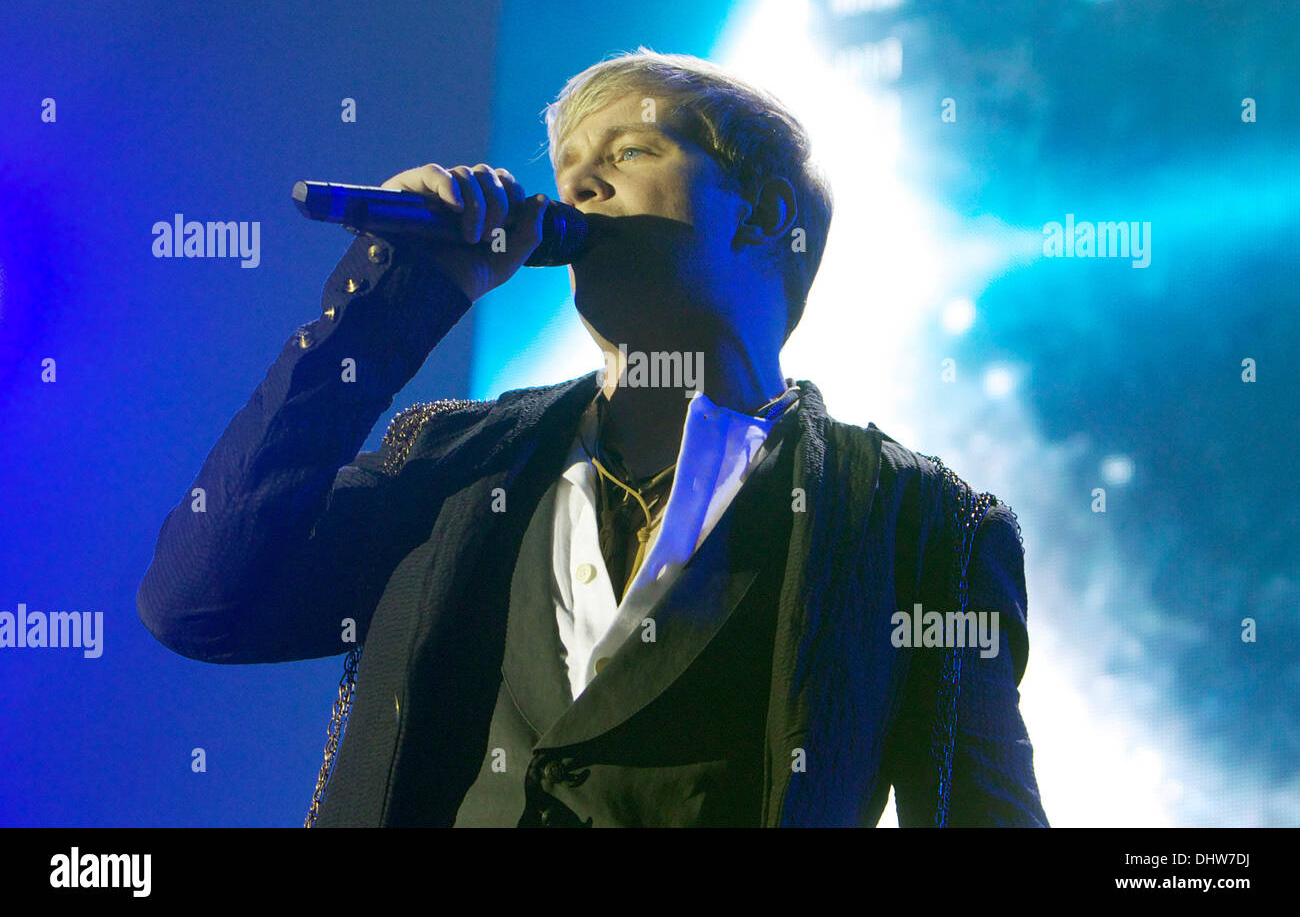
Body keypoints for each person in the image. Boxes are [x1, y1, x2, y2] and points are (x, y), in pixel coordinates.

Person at [136, 48, 1049, 827]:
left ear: (765, 214)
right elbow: (201, 601)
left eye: (632, 150)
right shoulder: (454, 462)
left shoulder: (923, 527)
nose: (579, 186)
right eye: (569, 170)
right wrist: (396, 306)